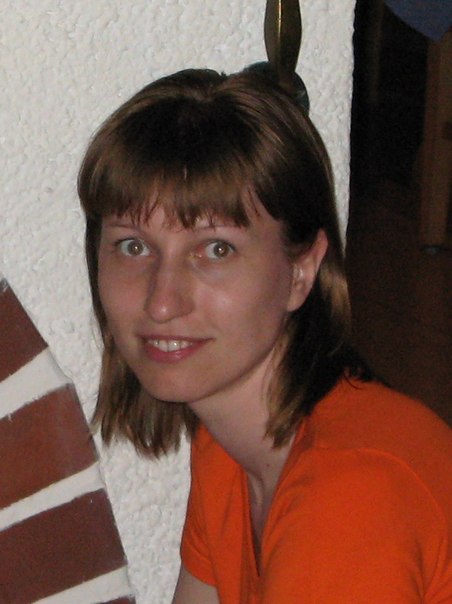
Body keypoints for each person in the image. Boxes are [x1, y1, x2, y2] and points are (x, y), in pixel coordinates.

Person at [78, 67, 452, 603]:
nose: (162, 301)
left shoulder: (351, 493)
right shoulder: (228, 451)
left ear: (301, 271)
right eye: (133, 246)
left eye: (216, 250)